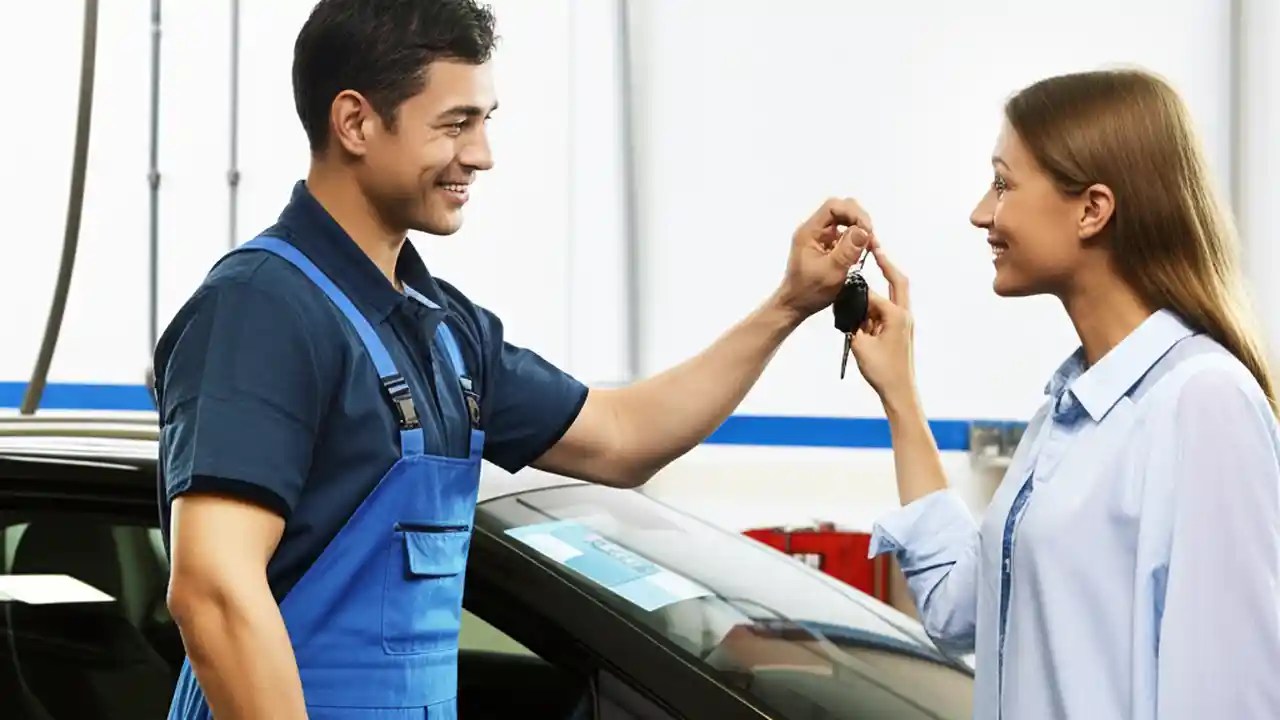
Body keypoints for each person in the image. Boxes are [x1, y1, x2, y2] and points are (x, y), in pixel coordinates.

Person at [151, 1, 871, 718]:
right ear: (356, 122)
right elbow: (214, 590)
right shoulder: (261, 310)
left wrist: (788, 305)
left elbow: (622, 439)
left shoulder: (446, 333)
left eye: (485, 120)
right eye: (456, 123)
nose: (483, 153)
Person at [849, 68, 1280, 719]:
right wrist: (900, 396)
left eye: (1003, 183)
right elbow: (958, 607)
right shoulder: (1068, 413)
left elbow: (1226, 698)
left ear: (1092, 209)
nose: (980, 213)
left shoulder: (1202, 402)